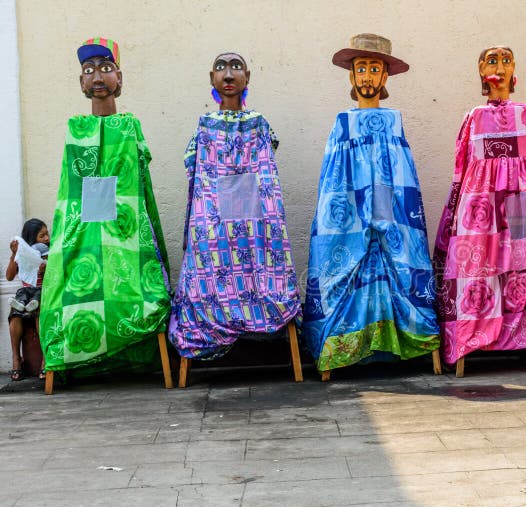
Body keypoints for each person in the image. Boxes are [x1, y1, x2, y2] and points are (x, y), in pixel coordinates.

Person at [433, 46, 526, 366]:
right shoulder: (474, 117)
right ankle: (478, 332)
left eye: (505, 60)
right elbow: (462, 166)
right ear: (480, 71)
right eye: (491, 61)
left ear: (514, 68)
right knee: (480, 261)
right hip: (482, 202)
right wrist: (458, 208)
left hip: (523, 202)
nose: (498, 67)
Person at [303, 34, 440, 375]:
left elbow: (402, 172)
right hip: (350, 217)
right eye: (360, 68)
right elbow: (334, 178)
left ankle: (404, 343)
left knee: (400, 270)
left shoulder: (394, 121)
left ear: (385, 77)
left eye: (374, 69)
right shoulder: (342, 123)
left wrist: (387, 215)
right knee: (343, 271)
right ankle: (343, 349)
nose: (366, 76)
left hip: (389, 213)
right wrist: (355, 217)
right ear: (351, 77)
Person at [39, 38, 171, 377]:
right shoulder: (75, 129)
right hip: (83, 230)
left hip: (125, 230)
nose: (98, 76)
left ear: (120, 79)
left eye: (106, 68)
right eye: (88, 70)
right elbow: (69, 193)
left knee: (140, 289)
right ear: (81, 83)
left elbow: (139, 187)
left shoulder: (129, 125)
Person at [169, 52, 300, 359]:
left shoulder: (259, 125)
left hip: (255, 223)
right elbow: (195, 171)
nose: (228, 75)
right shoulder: (204, 127)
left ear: (248, 77)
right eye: (221, 68)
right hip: (213, 225)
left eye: (236, 67)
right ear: (211, 78)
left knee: (263, 265)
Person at [6, 219, 49, 380]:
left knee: (39, 313)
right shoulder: (23, 253)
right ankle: (17, 360)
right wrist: (13, 254)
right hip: (25, 292)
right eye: (41, 235)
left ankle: (45, 360)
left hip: (43, 291)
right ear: (31, 238)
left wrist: (46, 269)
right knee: (15, 315)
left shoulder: (48, 251)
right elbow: (9, 277)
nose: (46, 238)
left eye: (47, 234)